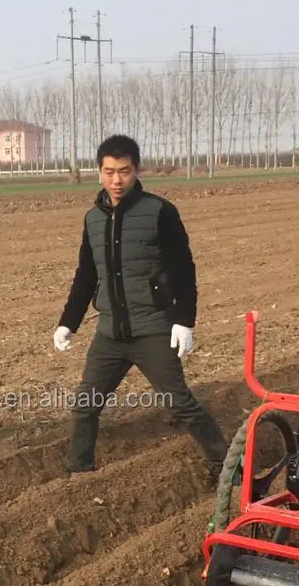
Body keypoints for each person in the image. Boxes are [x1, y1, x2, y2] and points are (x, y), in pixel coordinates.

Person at [53, 133, 228, 475]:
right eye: (109, 171)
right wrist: (68, 322)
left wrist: (183, 320)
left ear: (136, 170)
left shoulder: (159, 212)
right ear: (99, 171)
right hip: (109, 335)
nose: (116, 180)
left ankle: (226, 464)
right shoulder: (93, 219)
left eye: (124, 171)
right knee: (85, 406)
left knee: (179, 404)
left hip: (152, 330)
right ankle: (79, 473)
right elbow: (87, 274)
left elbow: (183, 268)